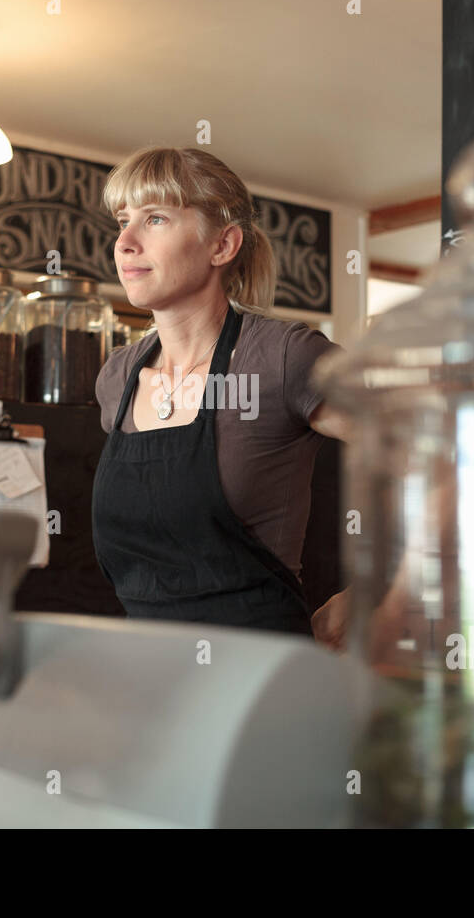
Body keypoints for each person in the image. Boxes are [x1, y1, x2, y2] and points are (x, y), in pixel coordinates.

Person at [91, 146, 350, 640]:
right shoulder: (118, 378)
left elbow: (447, 454)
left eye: (156, 219)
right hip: (145, 673)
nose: (124, 242)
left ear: (223, 245)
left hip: (259, 679)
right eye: (123, 221)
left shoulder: (284, 357)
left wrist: (376, 597)